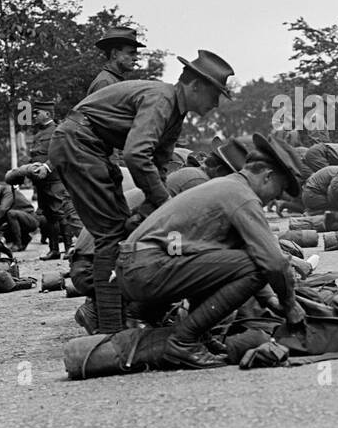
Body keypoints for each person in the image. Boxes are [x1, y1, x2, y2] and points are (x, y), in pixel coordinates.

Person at [50, 49, 233, 335]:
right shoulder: (162, 99)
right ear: (195, 86)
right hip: (78, 144)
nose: (216, 104)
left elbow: (159, 166)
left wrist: (154, 209)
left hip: (92, 148)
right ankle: (109, 330)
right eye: (214, 95)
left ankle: (108, 314)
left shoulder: (175, 115)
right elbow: (136, 156)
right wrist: (163, 203)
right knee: (111, 234)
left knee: (124, 229)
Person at [117, 133, 306, 369]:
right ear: (267, 176)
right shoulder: (242, 196)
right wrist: (289, 305)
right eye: (278, 191)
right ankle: (183, 342)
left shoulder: (227, 186)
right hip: (147, 268)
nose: (274, 199)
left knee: (231, 263)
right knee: (258, 266)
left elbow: (225, 256)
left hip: (139, 267)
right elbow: (274, 263)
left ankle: (199, 338)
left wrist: (269, 298)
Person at [22, 98, 82, 260]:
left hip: (56, 180)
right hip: (41, 182)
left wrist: (47, 167)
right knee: (48, 216)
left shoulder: (58, 130)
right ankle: (54, 249)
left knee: (61, 214)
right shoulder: (38, 133)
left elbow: (60, 153)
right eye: (33, 113)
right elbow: (35, 155)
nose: (34, 115)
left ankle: (69, 248)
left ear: (47, 113)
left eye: (37, 113)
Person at [0, 177, 39, 250]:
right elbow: (2, 217)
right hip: (24, 219)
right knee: (0, 228)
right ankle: (25, 239)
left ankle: (18, 244)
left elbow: (2, 211)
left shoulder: (8, 191)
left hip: (31, 220)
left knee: (11, 214)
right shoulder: (3, 194)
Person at [87, 26, 146, 95]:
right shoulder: (105, 83)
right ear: (114, 53)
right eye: (131, 53)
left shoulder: (114, 80)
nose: (136, 58)